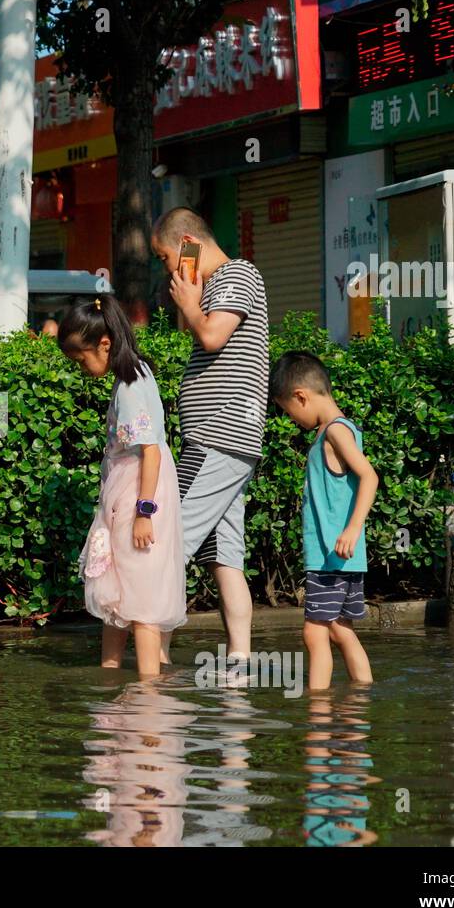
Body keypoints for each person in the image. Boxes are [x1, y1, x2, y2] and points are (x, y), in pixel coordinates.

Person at [154, 206, 269, 666]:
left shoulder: (238, 273)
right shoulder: (216, 284)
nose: (166, 267)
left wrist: (187, 303)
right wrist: (193, 299)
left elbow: (214, 336)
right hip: (223, 441)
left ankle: (154, 660)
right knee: (226, 559)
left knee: (166, 544)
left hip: (218, 438)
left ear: (186, 244)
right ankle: (239, 666)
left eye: (165, 256)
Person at [60, 296, 185, 676]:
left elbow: (151, 451)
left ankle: (148, 695)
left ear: (104, 344)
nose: (81, 368)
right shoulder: (133, 376)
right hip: (128, 491)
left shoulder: (131, 384)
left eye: (81, 360)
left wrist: (144, 512)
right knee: (118, 589)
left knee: (141, 599)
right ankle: (110, 674)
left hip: (139, 494)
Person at [270, 351, 376, 691]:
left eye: (290, 411)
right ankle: (362, 697)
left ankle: (318, 712)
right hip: (343, 556)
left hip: (330, 555)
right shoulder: (339, 431)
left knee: (314, 632)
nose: (292, 419)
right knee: (340, 629)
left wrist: (353, 527)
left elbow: (369, 477)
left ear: (301, 395)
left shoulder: (334, 432)